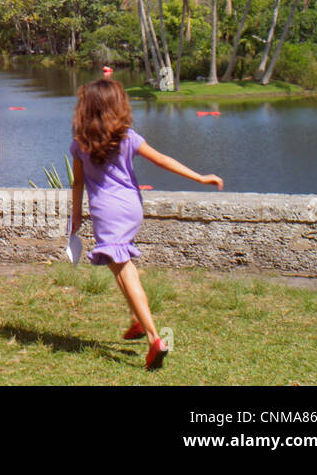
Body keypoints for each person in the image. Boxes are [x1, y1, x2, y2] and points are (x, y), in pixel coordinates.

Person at [68, 78, 223, 370]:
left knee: (125, 270)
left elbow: (77, 183)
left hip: (107, 212)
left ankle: (154, 338)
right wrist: (200, 177)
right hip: (132, 209)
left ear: (85, 109)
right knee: (118, 265)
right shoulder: (128, 137)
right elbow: (162, 160)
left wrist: (75, 215)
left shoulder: (79, 145)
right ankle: (136, 320)